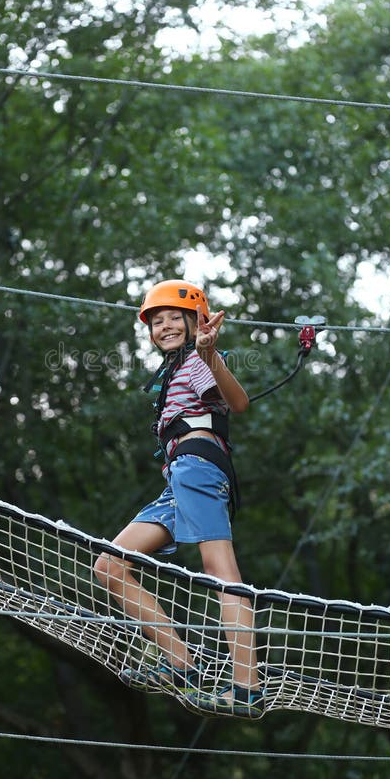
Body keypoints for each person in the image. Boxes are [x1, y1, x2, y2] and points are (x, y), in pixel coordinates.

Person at [94, 279, 264, 717]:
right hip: (178, 482)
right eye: (157, 320)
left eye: (175, 317)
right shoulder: (174, 370)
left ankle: (247, 686)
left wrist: (208, 352)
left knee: (221, 570)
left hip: (197, 469)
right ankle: (181, 665)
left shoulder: (199, 361)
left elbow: (238, 402)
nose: (165, 325)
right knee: (110, 566)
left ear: (196, 323)